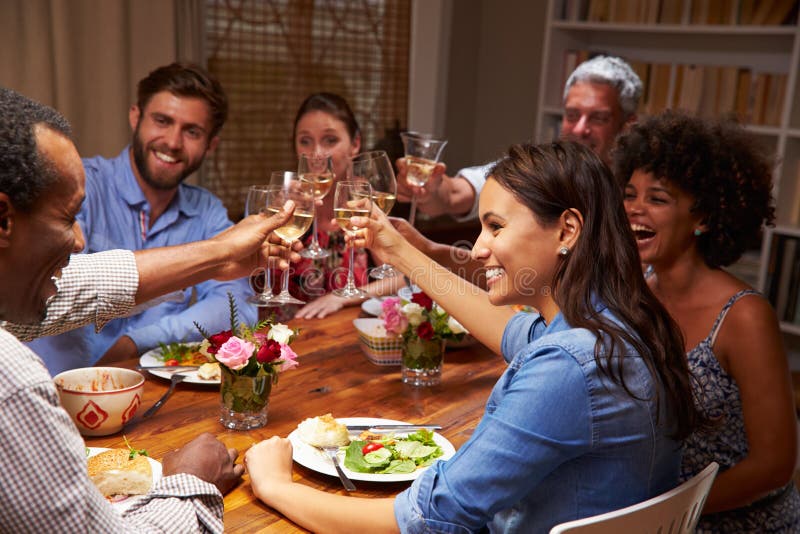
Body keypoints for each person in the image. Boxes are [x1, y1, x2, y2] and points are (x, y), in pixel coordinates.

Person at [245, 141, 705, 532]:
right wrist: (400, 253)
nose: (479, 246)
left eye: (496, 227)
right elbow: (511, 330)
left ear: (567, 229)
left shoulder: (568, 367)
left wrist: (275, 487)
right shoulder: (618, 324)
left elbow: (430, 517)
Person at [0, 87, 299, 531]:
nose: (80, 242)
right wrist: (188, 482)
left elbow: (82, 286)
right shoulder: (14, 383)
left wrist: (218, 255)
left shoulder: (206, 208)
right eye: (68, 219)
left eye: (192, 129)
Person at [616, 111, 800, 532]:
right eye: (630, 194)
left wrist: (664, 512)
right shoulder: (636, 290)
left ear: (703, 217)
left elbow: (775, 465)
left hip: (738, 523)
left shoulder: (745, 316)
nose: (635, 209)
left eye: (657, 199)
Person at [26, 62, 256, 375]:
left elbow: (237, 307)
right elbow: (49, 290)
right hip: (63, 390)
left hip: (157, 395)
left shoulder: (207, 211)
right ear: (136, 117)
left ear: (210, 145)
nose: (173, 142)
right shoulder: (80, 186)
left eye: (192, 131)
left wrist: (136, 342)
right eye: (162, 121)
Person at [397, 55, 642, 221]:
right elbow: (454, 195)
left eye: (598, 118)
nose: (580, 129)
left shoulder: (644, 191)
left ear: (627, 125)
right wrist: (433, 192)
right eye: (572, 115)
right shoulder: (540, 170)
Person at [286, 92, 404, 319]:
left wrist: (344, 296)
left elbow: (402, 277)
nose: (317, 154)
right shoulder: (285, 204)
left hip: (344, 339)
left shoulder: (364, 205)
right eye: (305, 141)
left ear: (355, 144)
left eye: (330, 140)